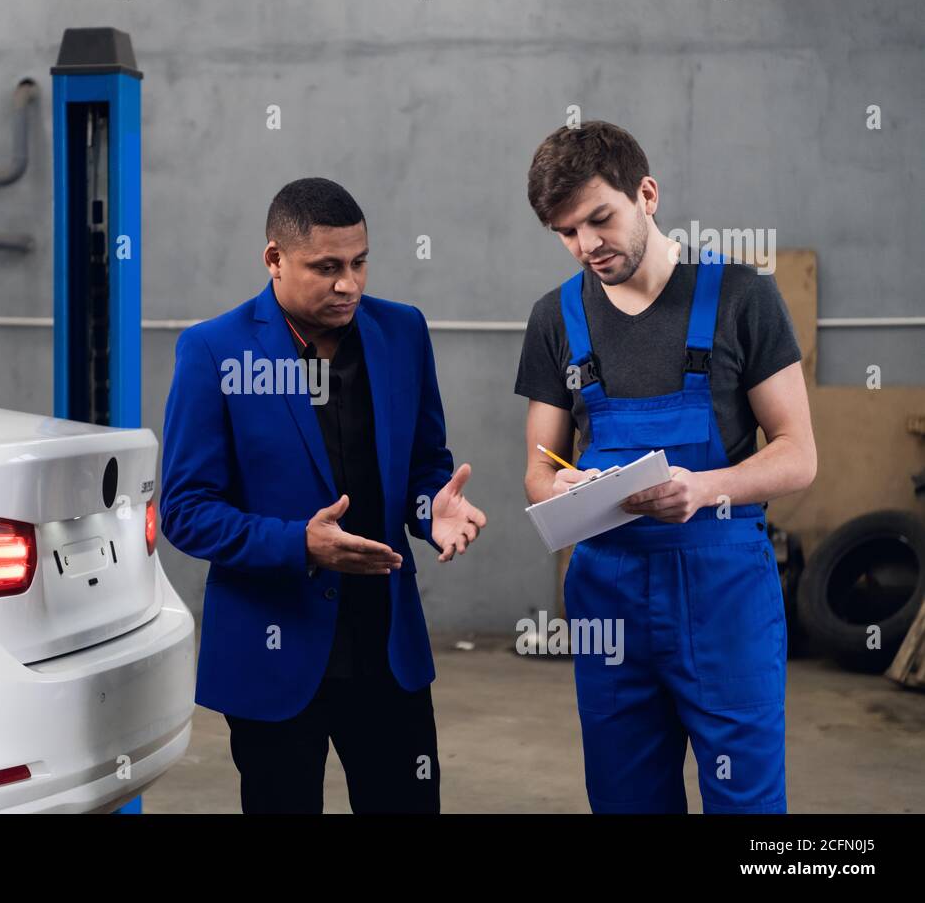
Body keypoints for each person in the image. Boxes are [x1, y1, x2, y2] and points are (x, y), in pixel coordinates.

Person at [515, 121, 817, 813]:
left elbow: (799, 454)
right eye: (567, 233)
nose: (587, 246)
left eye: (600, 218)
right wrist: (557, 486)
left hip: (723, 592)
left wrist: (704, 488)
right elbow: (536, 470)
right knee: (625, 798)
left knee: (746, 799)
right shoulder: (555, 318)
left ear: (646, 194)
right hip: (607, 596)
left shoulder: (742, 296)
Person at [161, 177, 486, 813]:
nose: (349, 284)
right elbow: (186, 510)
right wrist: (300, 545)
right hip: (272, 653)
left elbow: (425, 465)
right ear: (274, 260)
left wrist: (430, 511)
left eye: (360, 262)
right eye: (327, 267)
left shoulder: (403, 334)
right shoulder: (213, 350)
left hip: (386, 651)